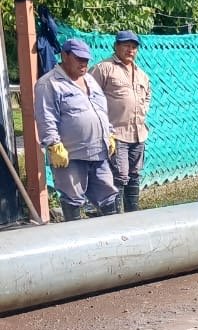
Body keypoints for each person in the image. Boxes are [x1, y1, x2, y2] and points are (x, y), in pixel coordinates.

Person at [35, 37, 118, 221]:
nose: (83, 63)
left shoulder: (89, 79)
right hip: (70, 155)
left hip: (99, 151)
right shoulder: (49, 83)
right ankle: (74, 236)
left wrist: (109, 133)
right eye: (79, 58)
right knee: (72, 198)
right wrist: (54, 144)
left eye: (86, 59)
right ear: (64, 56)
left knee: (108, 195)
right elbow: (46, 117)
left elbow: (101, 110)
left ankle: (114, 235)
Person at [91, 31, 151, 212]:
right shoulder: (104, 68)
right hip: (116, 134)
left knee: (134, 175)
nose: (130, 50)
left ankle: (133, 215)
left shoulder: (141, 74)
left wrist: (142, 110)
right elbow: (90, 95)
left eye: (134, 47)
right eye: (126, 46)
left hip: (138, 134)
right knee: (119, 176)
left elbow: (147, 96)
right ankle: (115, 218)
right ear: (116, 46)